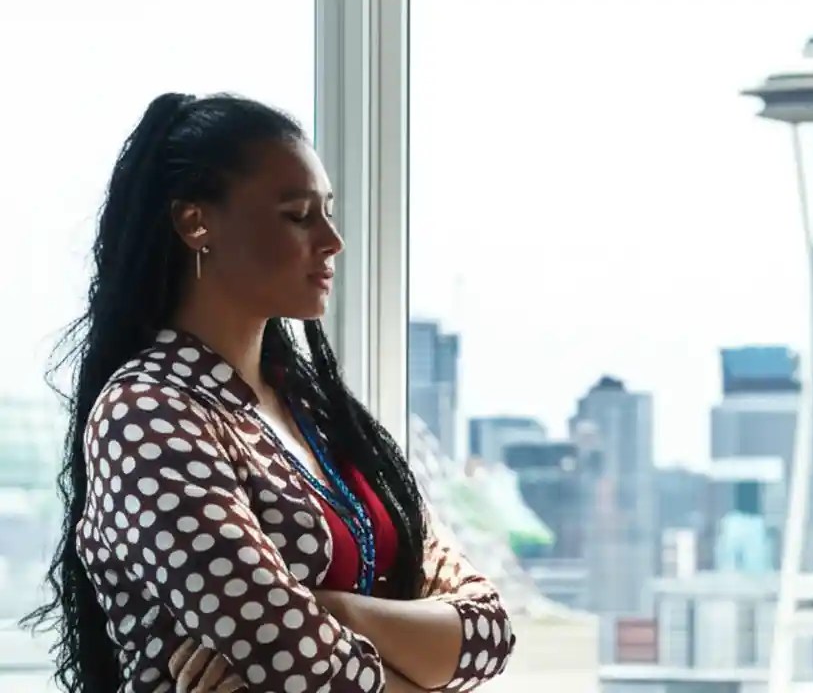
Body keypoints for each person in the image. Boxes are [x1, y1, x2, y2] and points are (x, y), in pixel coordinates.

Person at [23, 93, 515, 693]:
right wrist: (402, 660)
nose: (332, 240)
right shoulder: (146, 416)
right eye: (298, 214)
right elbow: (294, 661)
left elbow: (488, 631)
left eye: (327, 211)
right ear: (195, 222)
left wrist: (328, 609)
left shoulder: (319, 415)